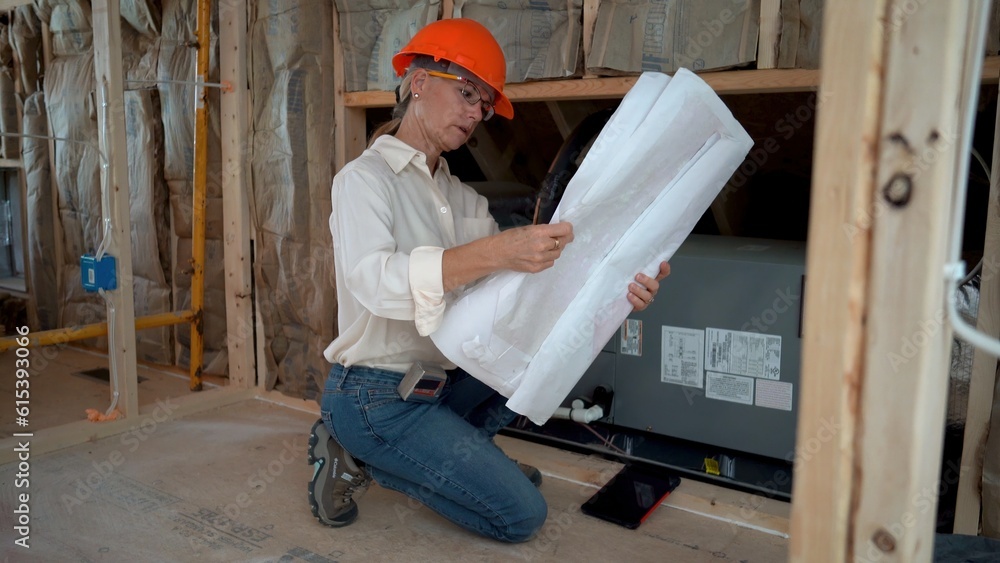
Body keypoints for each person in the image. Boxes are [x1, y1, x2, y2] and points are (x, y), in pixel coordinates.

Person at [308, 18, 671, 543]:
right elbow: (377, 283)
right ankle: (358, 452)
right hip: (374, 395)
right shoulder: (363, 181)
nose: (476, 113)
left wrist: (618, 288)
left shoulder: (462, 198)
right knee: (521, 516)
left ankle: (463, 457)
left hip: (442, 381)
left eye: (483, 104)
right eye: (466, 93)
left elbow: (522, 293)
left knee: (538, 350)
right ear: (418, 82)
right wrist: (493, 251)